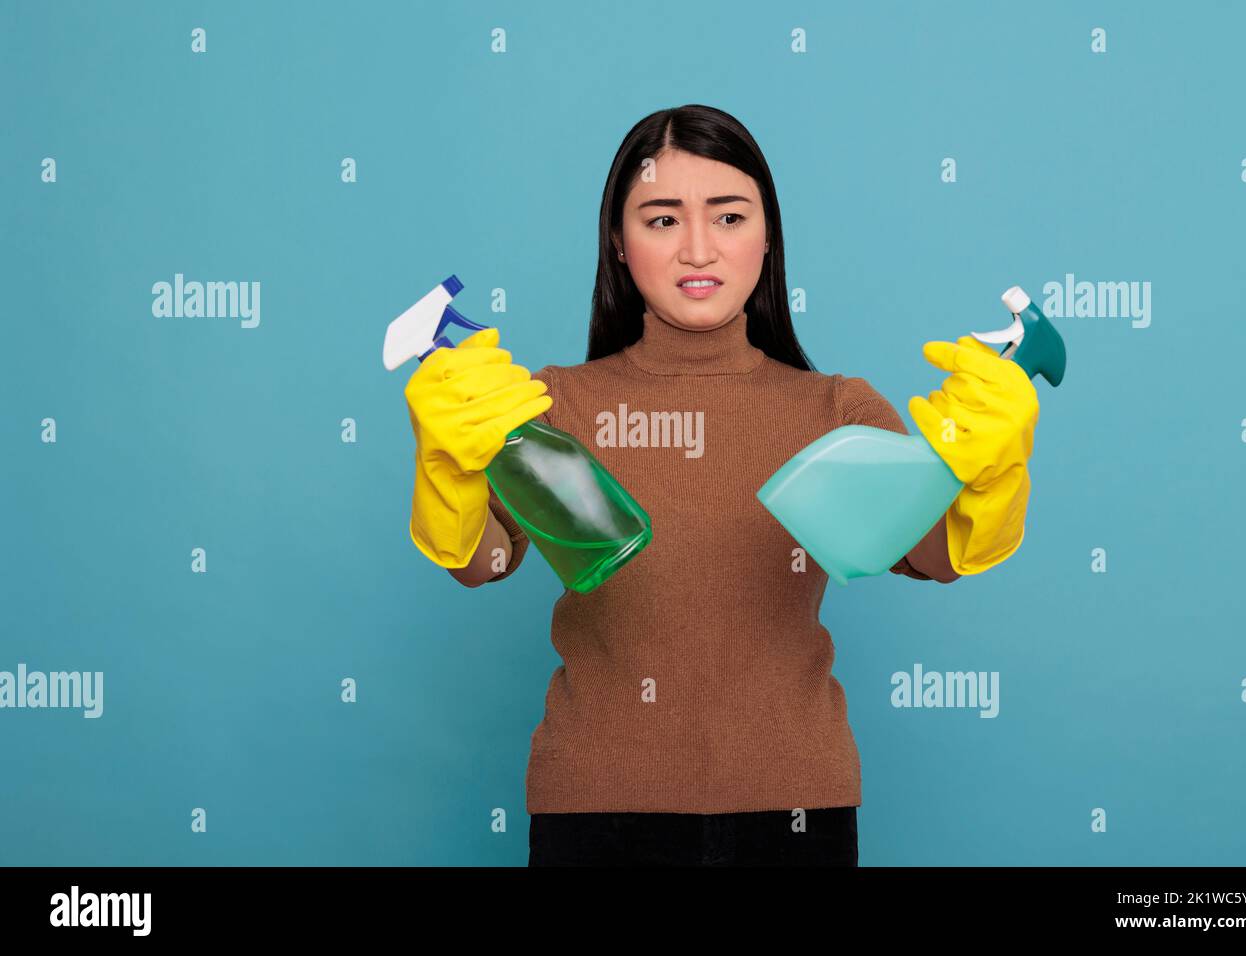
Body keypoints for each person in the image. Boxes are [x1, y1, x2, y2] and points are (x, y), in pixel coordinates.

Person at [403, 105, 1039, 866]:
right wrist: (448, 466)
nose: (698, 249)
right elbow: (483, 565)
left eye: (729, 216)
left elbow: (932, 558)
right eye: (662, 219)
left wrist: (984, 469)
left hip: (796, 809)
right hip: (596, 810)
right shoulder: (551, 405)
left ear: (767, 237)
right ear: (618, 241)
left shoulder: (833, 409)